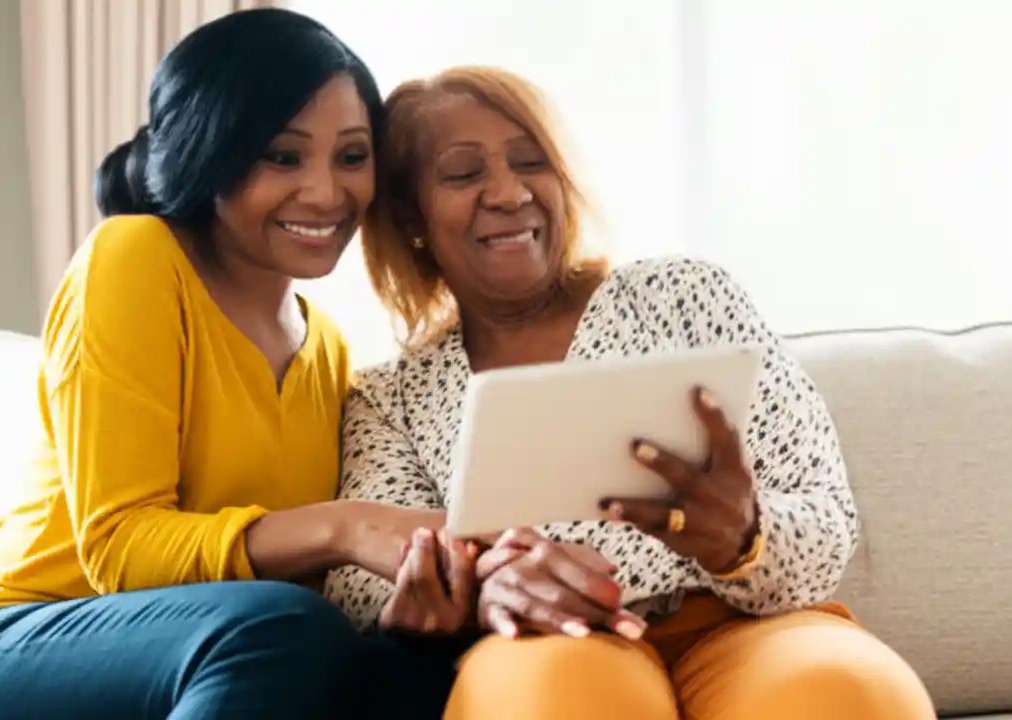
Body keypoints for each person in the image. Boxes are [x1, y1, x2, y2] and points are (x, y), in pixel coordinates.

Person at [325, 66, 936, 720]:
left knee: (842, 693)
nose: (509, 192)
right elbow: (356, 588)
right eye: (464, 173)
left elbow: (826, 516)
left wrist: (744, 537)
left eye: (531, 162)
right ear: (411, 214)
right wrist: (465, 589)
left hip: (748, 626)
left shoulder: (685, 296)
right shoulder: (391, 397)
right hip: (548, 640)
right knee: (552, 702)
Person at [0, 10, 441, 719]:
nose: (327, 192)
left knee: (411, 667)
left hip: (210, 656)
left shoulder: (326, 348)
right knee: (277, 628)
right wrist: (347, 527)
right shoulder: (137, 257)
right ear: (210, 151)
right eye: (282, 156)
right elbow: (120, 552)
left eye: (352, 156)